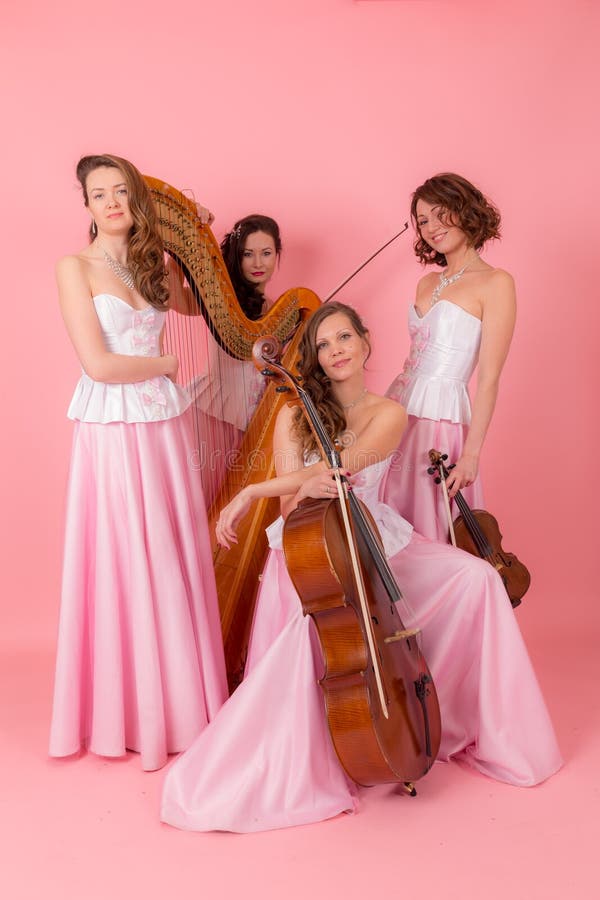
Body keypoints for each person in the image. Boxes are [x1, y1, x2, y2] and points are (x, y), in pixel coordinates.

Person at [160, 302, 561, 833]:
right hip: (313, 545)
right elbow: (288, 512)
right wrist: (297, 489)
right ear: (316, 359)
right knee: (319, 625)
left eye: (344, 337)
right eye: (323, 346)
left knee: (477, 578)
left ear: (366, 343)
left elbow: (351, 466)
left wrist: (256, 487)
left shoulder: (387, 412)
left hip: (374, 537)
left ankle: (460, 721)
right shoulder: (292, 414)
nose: (336, 351)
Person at [49, 154, 228, 772]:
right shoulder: (73, 268)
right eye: (99, 194)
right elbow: (98, 365)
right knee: (127, 554)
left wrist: (194, 236)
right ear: (87, 206)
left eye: (122, 191)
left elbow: (198, 309)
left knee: (169, 550)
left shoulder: (152, 266)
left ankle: (181, 704)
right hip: (114, 427)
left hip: (161, 426)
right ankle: (129, 712)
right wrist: (166, 366)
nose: (112, 202)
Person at [384, 173, 515, 542]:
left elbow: (489, 378)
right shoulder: (425, 283)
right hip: (396, 409)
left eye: (440, 214)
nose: (431, 227)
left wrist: (472, 454)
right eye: (423, 221)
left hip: (440, 419)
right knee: (386, 517)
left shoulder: (496, 282)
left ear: (465, 210)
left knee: (430, 524)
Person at [186, 214, 282, 503]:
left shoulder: (280, 310)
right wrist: (178, 257)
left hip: (254, 424)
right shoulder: (222, 299)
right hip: (213, 416)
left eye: (266, 253)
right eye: (248, 254)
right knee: (200, 501)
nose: (258, 263)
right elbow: (175, 300)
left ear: (277, 254)